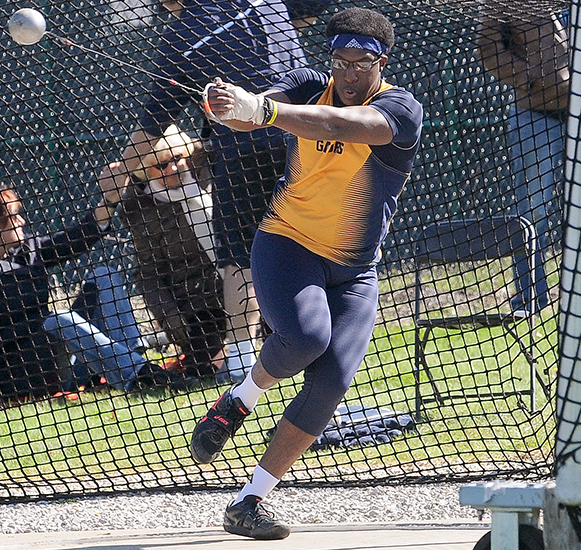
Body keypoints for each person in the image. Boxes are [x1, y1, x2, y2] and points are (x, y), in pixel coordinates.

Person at [189, 7, 423, 539]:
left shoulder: (400, 108)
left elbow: (345, 125)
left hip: (356, 269)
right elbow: (252, 115)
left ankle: (248, 503)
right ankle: (238, 401)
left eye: (360, 63)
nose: (347, 73)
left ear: (380, 63)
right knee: (304, 338)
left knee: (333, 380)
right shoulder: (305, 86)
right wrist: (229, 107)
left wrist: (265, 110)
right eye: (339, 60)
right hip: (286, 243)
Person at [97, 0, 328, 383]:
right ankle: (323, 346)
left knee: (239, 257)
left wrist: (123, 173)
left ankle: (240, 363)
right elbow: (306, 15)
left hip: (244, 149)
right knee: (316, 242)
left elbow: (150, 131)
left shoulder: (179, 38)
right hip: (308, 137)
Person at [0, 182, 168, 408]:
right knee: (60, 319)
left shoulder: (27, 250)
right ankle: (138, 375)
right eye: (13, 217)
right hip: (17, 374)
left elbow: (75, 238)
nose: (22, 222)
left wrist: (110, 199)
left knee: (104, 275)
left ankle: (134, 361)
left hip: (61, 359)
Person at [110, 126, 228, 382]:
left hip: (241, 277)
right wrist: (173, 321)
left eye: (176, 160)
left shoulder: (208, 171)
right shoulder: (139, 209)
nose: (173, 169)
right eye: (161, 166)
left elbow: (214, 141)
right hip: (199, 302)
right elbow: (147, 272)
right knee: (207, 371)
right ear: (145, 170)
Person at [476, 5, 570, 314]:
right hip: (536, 113)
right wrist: (529, 78)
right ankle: (529, 297)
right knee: (532, 212)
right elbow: (488, 49)